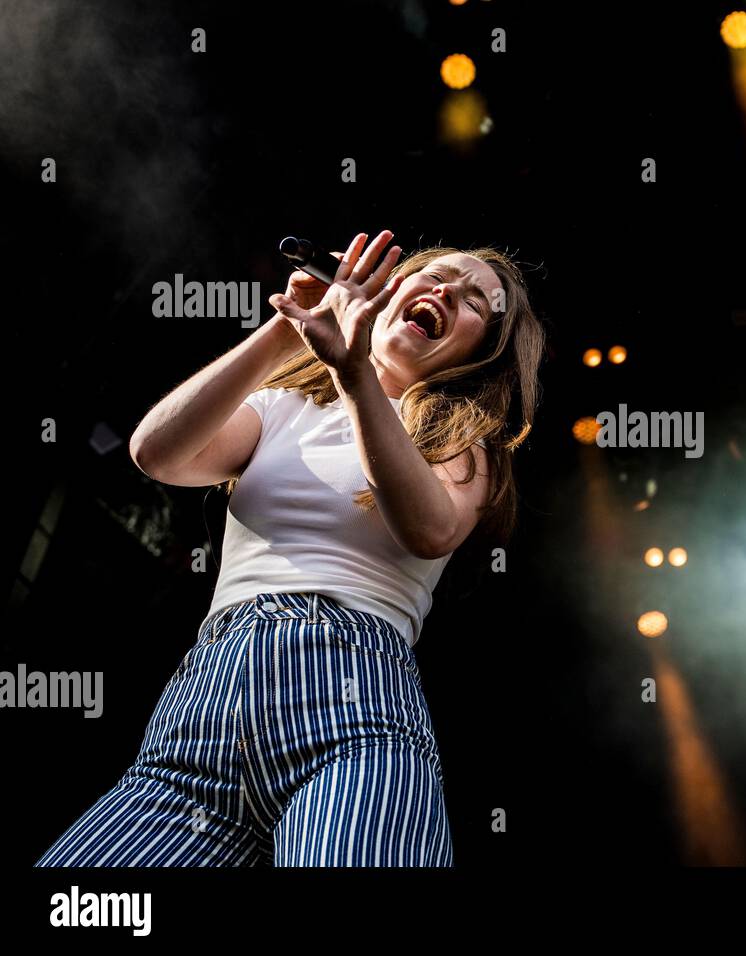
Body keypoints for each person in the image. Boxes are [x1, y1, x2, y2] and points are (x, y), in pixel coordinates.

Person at [35, 230, 544, 866]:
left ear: (481, 350)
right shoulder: (284, 407)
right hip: (206, 713)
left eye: (474, 300)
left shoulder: (462, 446)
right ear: (384, 294)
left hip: (354, 713)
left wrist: (355, 371)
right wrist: (289, 328)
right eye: (436, 274)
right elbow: (157, 452)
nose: (445, 291)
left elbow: (431, 529)